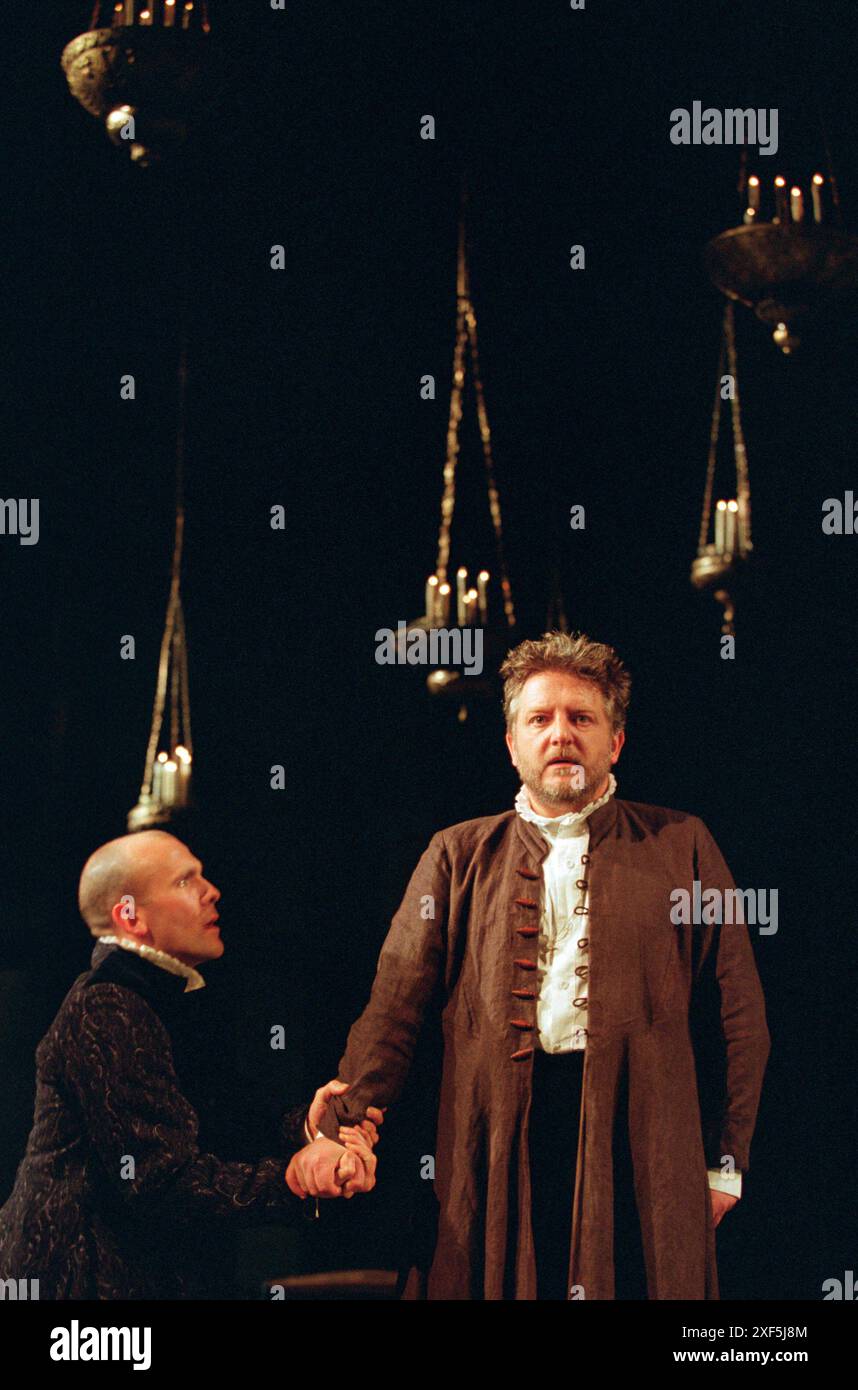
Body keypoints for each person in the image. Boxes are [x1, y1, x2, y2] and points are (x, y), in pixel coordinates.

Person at [317, 631, 771, 1299]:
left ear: (614, 741)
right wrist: (343, 1124)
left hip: (638, 1134)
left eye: (581, 717)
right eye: (540, 719)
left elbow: (741, 1015)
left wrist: (725, 1163)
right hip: (496, 1134)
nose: (560, 734)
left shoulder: (681, 844)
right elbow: (394, 1007)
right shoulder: (457, 855)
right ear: (511, 744)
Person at [0, 830, 379, 1299]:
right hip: (85, 1287)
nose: (211, 890)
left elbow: (223, 1118)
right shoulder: (108, 1007)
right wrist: (293, 1178)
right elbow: (157, 1181)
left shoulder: (167, 999)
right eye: (185, 881)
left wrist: (308, 1128)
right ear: (130, 916)